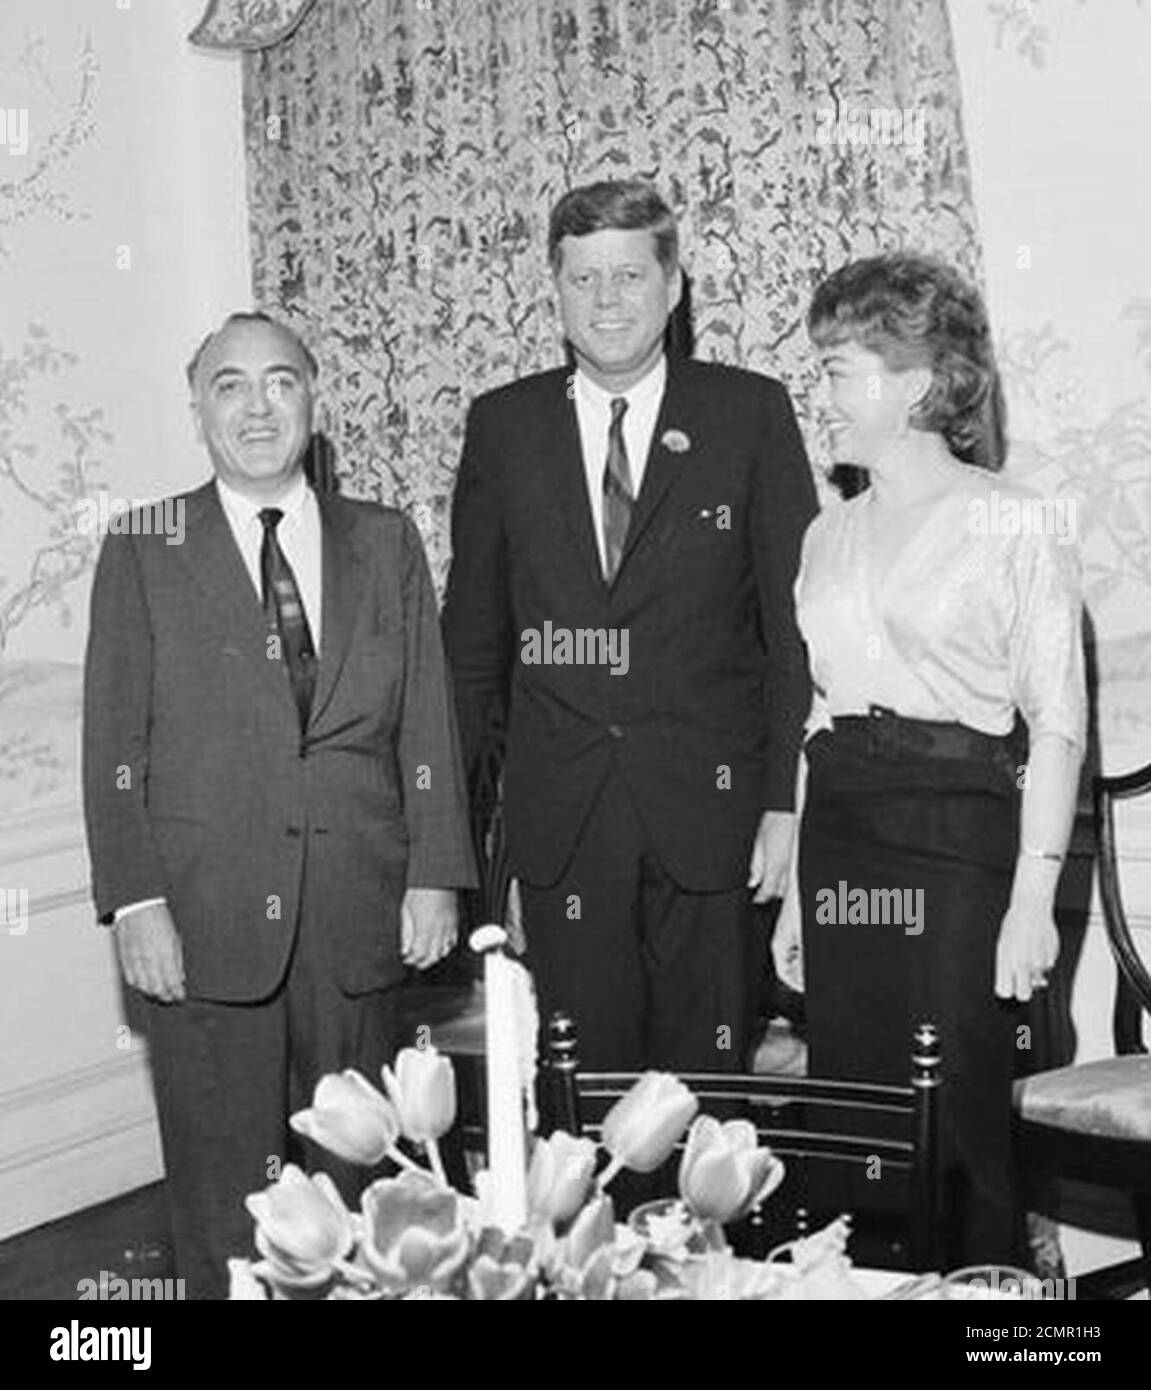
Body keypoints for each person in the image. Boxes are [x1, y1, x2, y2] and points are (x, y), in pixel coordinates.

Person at [82, 311, 475, 1298]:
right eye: (229, 385)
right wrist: (135, 902)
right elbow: (112, 750)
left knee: (364, 1181)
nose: (257, 406)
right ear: (198, 407)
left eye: (280, 382)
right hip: (204, 924)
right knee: (225, 1200)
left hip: (359, 913)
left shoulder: (383, 541)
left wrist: (433, 870)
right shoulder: (142, 546)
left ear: (313, 397)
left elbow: (426, 721)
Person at [443, 180, 817, 1071]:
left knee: (708, 1095)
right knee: (589, 1099)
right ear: (554, 290)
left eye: (627, 276)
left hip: (713, 812)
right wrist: (445, 838)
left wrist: (781, 801)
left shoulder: (747, 413)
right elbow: (473, 648)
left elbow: (791, 633)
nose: (605, 302)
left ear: (673, 284)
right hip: (563, 821)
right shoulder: (503, 426)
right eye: (581, 280)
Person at [795, 253, 1086, 1264]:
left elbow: (1055, 721)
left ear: (912, 383)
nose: (817, 393)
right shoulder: (822, 536)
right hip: (840, 832)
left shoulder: (1014, 520)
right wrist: (796, 895)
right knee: (857, 1114)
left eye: (835, 368)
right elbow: (817, 713)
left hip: (957, 837)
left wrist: (1027, 900)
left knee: (956, 1107)